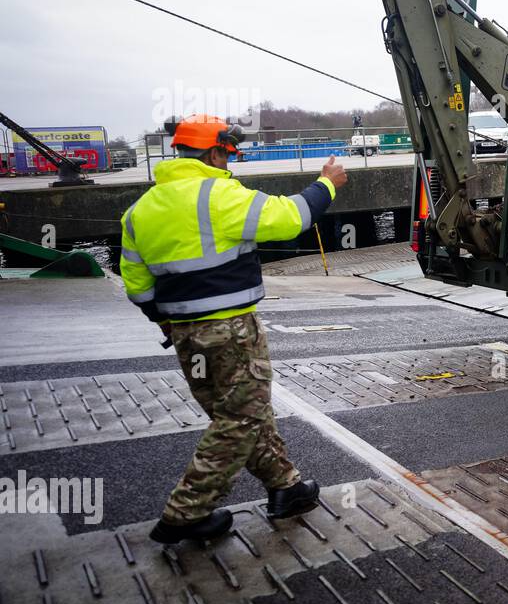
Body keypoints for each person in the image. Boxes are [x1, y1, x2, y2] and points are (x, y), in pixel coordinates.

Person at [119, 114, 348, 543]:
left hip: (186, 338)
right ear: (215, 151)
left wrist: (165, 317)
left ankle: (287, 488)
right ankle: (185, 513)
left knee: (241, 413)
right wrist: (327, 183)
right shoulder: (220, 195)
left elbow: (136, 282)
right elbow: (291, 218)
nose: (230, 164)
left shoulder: (140, 210)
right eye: (228, 155)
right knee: (240, 418)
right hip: (231, 332)